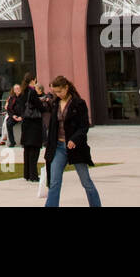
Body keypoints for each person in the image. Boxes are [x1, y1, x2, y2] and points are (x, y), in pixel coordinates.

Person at [43, 75, 101, 208]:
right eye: (55, 92)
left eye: (59, 91)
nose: (57, 94)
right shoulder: (55, 103)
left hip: (75, 148)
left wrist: (74, 139)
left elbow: (84, 126)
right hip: (58, 147)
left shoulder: (79, 103)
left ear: (66, 88)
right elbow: (52, 126)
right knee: (54, 182)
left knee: (86, 182)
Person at [18, 73, 44, 183]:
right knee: (34, 149)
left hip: (26, 122)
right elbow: (39, 106)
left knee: (27, 150)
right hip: (34, 123)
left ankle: (27, 174)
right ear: (33, 80)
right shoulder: (32, 91)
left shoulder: (22, 91)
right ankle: (33, 175)